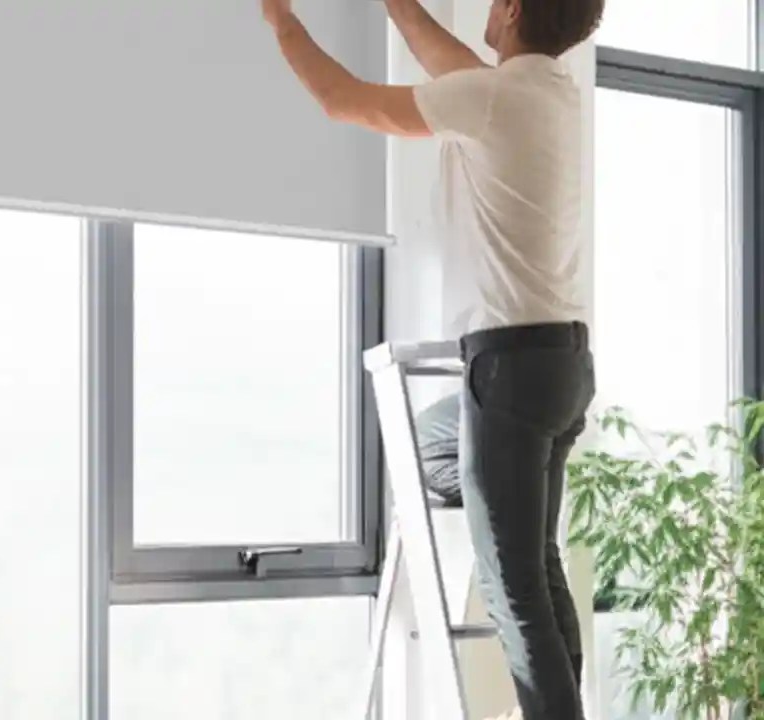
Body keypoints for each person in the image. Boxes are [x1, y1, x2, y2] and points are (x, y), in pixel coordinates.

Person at [259, 1, 604, 718]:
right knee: (513, 540)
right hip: (560, 366)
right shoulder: (545, 94)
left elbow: (340, 100)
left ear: (509, 9)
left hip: (508, 371)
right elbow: (453, 65)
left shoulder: (492, 97)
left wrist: (279, 18)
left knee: (515, 596)